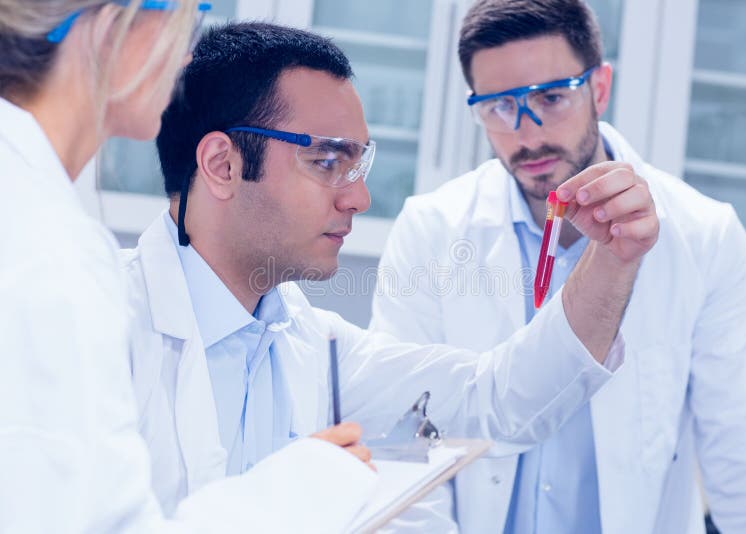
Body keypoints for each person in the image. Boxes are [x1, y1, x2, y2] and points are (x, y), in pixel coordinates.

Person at [120, 21, 657, 530]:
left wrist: (613, 257)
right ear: (223, 165)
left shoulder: (318, 349)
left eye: (360, 165)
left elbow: (499, 399)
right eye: (328, 162)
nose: (359, 197)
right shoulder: (99, 328)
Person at [370, 0, 746, 533]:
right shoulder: (431, 229)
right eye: (498, 107)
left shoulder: (704, 234)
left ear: (599, 88)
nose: (527, 135)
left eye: (551, 98)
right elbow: (406, 439)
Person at [0, 2, 378, 532]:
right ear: (114, 24)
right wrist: (306, 484)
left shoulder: (33, 209)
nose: (185, 59)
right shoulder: (46, 248)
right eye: (187, 18)